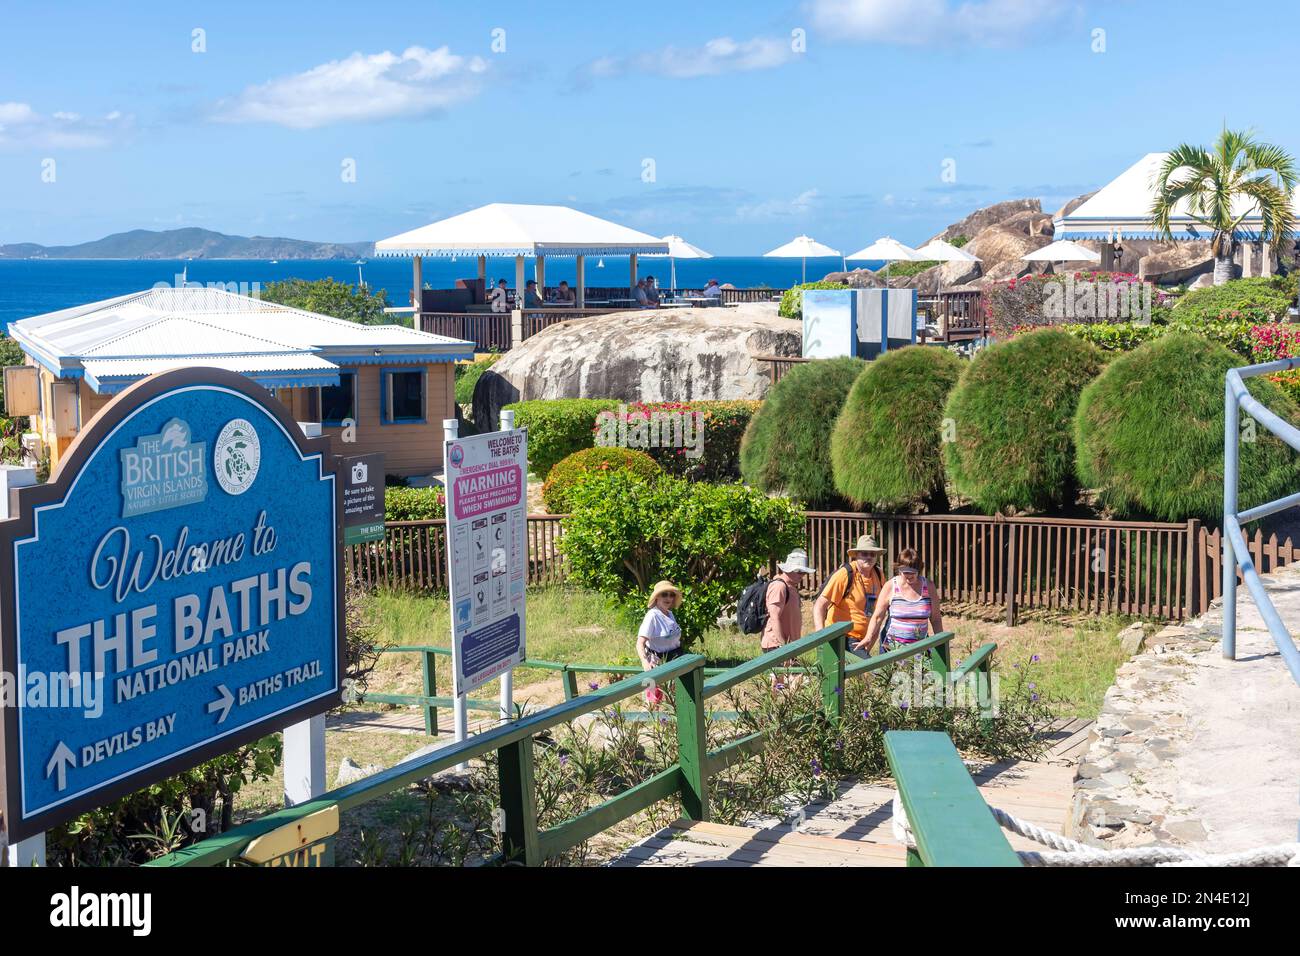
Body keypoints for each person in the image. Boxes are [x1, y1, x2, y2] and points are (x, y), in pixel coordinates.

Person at [813, 534, 886, 659]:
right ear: (856, 555)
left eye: (872, 554)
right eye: (864, 553)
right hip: (841, 636)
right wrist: (822, 636)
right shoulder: (845, 574)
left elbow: (880, 612)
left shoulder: (878, 574)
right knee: (872, 672)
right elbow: (820, 604)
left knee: (860, 674)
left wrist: (870, 640)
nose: (869, 557)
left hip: (861, 638)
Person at [863, 547, 943, 654]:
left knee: (919, 671)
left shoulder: (928, 586)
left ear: (919, 570)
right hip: (892, 648)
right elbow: (877, 617)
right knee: (894, 671)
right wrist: (868, 637)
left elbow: (936, 619)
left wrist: (941, 643)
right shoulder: (891, 586)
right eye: (905, 572)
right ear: (899, 570)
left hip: (920, 648)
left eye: (913, 573)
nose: (909, 576)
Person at [761, 548, 814, 654]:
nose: (803, 575)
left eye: (804, 572)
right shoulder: (779, 586)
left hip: (788, 647)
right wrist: (783, 648)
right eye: (800, 572)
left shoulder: (791, 587)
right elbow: (774, 617)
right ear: (789, 569)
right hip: (776, 647)